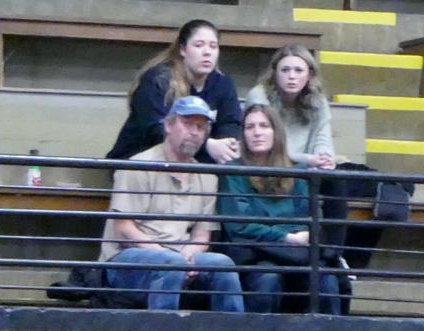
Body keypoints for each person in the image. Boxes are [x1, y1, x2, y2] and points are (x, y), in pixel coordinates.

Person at [248, 44, 384, 282]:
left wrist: (324, 159)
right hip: (270, 164)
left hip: (306, 168)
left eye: (298, 70)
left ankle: (333, 253)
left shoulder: (318, 101)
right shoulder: (259, 96)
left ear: (309, 74)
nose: (291, 76)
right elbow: (265, 144)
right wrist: (308, 159)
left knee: (335, 179)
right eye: (285, 70)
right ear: (274, 73)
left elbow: (323, 140)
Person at [99, 97, 246, 314]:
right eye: (187, 124)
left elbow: (202, 235)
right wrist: (175, 259)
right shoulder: (138, 166)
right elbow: (124, 228)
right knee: (170, 266)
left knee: (222, 265)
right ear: (168, 126)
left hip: (179, 255)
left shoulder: (207, 177)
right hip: (126, 258)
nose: (194, 132)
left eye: (200, 127)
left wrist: (187, 257)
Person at [220, 107, 342, 315]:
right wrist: (286, 237)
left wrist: (294, 236)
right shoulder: (233, 172)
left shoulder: (298, 172)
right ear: (243, 135)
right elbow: (240, 226)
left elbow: (306, 219)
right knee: (267, 279)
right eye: (250, 127)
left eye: (264, 126)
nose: (257, 132)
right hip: (257, 254)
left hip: (296, 254)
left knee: (326, 280)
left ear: (276, 132)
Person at [108, 19, 243, 165]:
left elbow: (231, 122)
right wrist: (207, 145)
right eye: (199, 45)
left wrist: (225, 144)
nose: (207, 52)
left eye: (213, 46)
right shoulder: (157, 80)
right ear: (182, 49)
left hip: (193, 163)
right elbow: (155, 130)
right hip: (140, 161)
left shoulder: (222, 83)